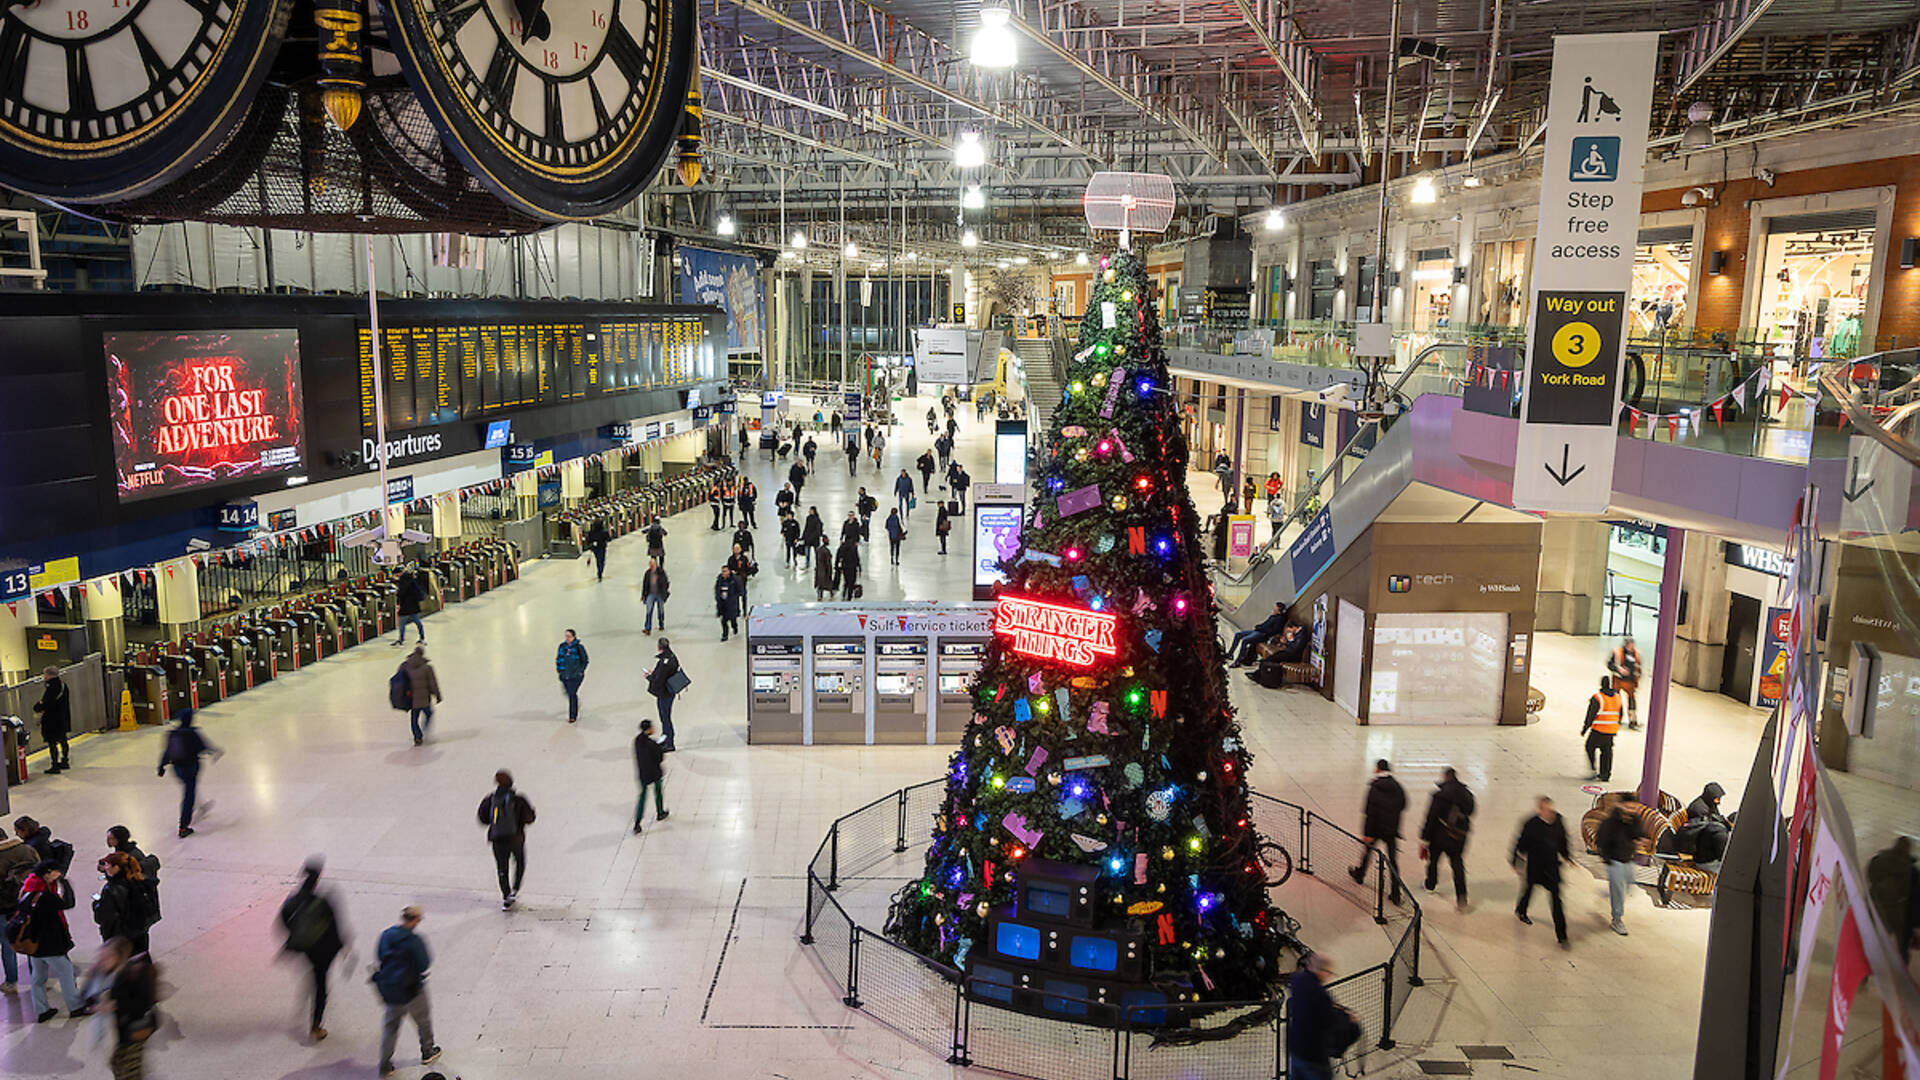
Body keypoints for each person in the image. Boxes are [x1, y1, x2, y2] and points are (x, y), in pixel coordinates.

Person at [279, 859, 345, 1042]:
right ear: (317, 879)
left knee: (315, 978)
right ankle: (316, 1026)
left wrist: (297, 936)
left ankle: (310, 1008)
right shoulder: (322, 901)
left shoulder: (292, 901)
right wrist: (341, 946)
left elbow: (283, 921)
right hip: (324, 950)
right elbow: (335, 927)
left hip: (306, 948)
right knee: (320, 985)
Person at [373, 905, 441, 1077]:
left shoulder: (387, 935)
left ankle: (385, 1065)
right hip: (412, 991)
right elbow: (424, 964)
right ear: (416, 920)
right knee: (423, 1020)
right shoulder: (414, 941)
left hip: (390, 990)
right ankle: (427, 1051)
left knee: (391, 1028)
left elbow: (380, 956)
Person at [18, 859, 81, 1021]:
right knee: (66, 971)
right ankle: (75, 1006)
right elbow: (67, 903)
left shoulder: (27, 890)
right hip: (50, 942)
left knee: (38, 978)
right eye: (56, 872)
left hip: (32, 943)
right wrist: (65, 884)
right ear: (47, 873)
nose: (59, 874)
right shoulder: (44, 896)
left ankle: (42, 1010)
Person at [91, 936, 158, 1080]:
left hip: (136, 1030)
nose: (102, 961)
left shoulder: (131, 974)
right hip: (124, 1031)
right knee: (117, 1063)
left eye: (107, 957)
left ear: (119, 956)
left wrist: (115, 1005)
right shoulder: (115, 974)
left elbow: (142, 1004)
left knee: (128, 1071)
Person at [1512, 796, 1575, 947]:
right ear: (1540, 810)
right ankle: (1521, 910)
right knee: (1529, 888)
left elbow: (1562, 840)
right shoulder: (1531, 824)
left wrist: (1567, 856)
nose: (1550, 813)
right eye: (1546, 810)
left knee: (1556, 900)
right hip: (1536, 865)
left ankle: (1562, 936)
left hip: (1552, 867)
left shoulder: (1558, 821)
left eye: (1551, 810)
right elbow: (1521, 843)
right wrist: (1515, 860)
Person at [1286, 951, 1354, 1080]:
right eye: (1328, 973)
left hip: (1295, 1048)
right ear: (1322, 971)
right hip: (1314, 1057)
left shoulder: (1297, 980)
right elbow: (1330, 1022)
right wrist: (1348, 1018)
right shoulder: (1321, 996)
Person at [1348, 759, 1407, 903]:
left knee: (1367, 852)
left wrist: (1367, 833)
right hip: (1391, 829)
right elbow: (1404, 804)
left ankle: (1360, 875)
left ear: (1378, 770)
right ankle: (1395, 893)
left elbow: (1369, 812)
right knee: (1393, 860)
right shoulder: (1397, 787)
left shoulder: (1374, 788)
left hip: (1375, 829)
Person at [476, 771, 535, 909]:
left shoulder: (490, 800)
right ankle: (515, 889)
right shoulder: (519, 800)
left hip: (498, 840)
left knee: (502, 868)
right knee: (519, 863)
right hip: (516, 839)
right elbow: (529, 818)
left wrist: (495, 822)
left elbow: (483, 818)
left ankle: (506, 894)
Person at [157, 709, 219, 838]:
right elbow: (204, 747)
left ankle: (201, 806)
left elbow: (167, 751)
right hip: (190, 767)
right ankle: (183, 827)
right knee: (188, 794)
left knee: (189, 788)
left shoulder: (173, 733)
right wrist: (214, 752)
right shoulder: (192, 733)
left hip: (177, 768)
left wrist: (161, 766)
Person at [1420, 767, 1476, 908]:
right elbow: (1471, 812)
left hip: (1439, 835)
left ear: (1445, 778)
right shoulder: (1468, 794)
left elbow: (1431, 817)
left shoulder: (1440, 795)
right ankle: (1461, 897)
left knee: (1434, 861)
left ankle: (1431, 885)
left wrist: (1424, 838)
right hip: (1459, 836)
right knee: (1457, 865)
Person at [1867, 836, 1920, 961]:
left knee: (1873, 940)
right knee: (1902, 945)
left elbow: (1870, 877)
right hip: (1899, 914)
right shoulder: (1912, 871)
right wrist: (1915, 924)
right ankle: (1902, 971)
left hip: (1877, 908)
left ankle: (1866, 969)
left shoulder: (1877, 861)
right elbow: (1915, 899)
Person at [91, 852, 156, 955]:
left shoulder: (112, 889)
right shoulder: (140, 881)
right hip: (139, 932)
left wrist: (96, 904)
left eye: (107, 865)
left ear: (116, 868)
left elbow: (103, 916)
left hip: (119, 937)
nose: (105, 868)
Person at [1596, 795, 1642, 936]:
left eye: (1633, 808)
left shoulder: (1634, 820)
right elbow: (1601, 841)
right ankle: (1617, 919)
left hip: (1628, 858)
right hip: (1614, 859)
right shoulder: (1610, 823)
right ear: (1621, 805)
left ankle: (1613, 890)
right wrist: (1606, 858)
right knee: (1619, 891)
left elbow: (1637, 834)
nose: (1631, 810)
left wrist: (1638, 839)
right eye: (1628, 807)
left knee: (1628, 884)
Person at [0, 826, 38, 994]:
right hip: (28, 902)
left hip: (3, 907)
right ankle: (37, 976)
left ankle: (11, 981)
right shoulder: (27, 849)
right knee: (30, 937)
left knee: (7, 943)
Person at [1581, 676, 1624, 782]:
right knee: (1607, 751)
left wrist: (1585, 729)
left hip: (1599, 729)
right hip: (1611, 730)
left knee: (1590, 747)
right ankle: (1606, 774)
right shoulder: (1617, 697)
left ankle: (1593, 769)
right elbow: (1621, 713)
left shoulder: (1597, 697)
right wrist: (1616, 725)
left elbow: (1590, 715)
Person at [632, 720, 671, 834]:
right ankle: (660, 812)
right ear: (648, 729)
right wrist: (661, 747)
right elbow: (659, 757)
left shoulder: (637, 741)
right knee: (658, 791)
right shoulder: (652, 745)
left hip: (643, 773)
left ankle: (637, 823)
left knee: (642, 797)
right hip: (654, 773)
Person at [32, 665, 71, 775]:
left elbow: (46, 703)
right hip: (63, 717)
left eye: (45, 674)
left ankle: (54, 765)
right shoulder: (63, 685)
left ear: (48, 676)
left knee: (52, 742)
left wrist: (37, 706)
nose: (44, 676)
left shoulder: (51, 687)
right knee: (63, 740)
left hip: (52, 720)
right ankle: (65, 761)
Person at [401, 645, 442, 746]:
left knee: (414, 719)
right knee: (428, 714)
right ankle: (424, 729)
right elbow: (433, 684)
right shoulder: (427, 668)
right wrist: (437, 696)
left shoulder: (405, 666)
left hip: (412, 699)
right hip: (424, 700)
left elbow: (400, 681)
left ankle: (417, 737)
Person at [645, 639, 682, 751]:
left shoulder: (665, 662)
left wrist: (649, 677)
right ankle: (665, 738)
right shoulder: (672, 656)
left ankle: (669, 742)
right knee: (664, 717)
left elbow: (659, 679)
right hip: (670, 691)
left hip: (665, 693)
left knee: (665, 717)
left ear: (659, 647)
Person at [554, 629, 589, 723]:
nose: (567, 638)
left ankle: (572, 716)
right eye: (566, 636)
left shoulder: (579, 648)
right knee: (569, 693)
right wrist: (560, 671)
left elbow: (585, 661)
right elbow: (559, 658)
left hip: (576, 676)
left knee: (572, 694)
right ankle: (576, 704)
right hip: (565, 675)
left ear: (574, 637)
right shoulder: (562, 647)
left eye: (569, 636)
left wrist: (580, 671)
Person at [1608, 639, 1643, 729]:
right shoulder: (1617, 652)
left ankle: (1632, 721)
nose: (1631, 647)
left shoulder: (1637, 653)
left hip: (1630, 682)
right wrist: (1619, 670)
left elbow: (1639, 668)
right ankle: (1617, 718)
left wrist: (1637, 680)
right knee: (1617, 701)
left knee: (1632, 701)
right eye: (1629, 645)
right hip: (1618, 681)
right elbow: (1609, 664)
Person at [395, 569, 428, 645]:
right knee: (418, 622)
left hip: (406, 605)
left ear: (399, 573)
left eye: (396, 575)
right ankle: (422, 638)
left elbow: (402, 592)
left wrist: (397, 593)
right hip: (414, 605)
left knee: (402, 623)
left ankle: (401, 639)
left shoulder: (403, 580)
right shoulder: (411, 579)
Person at [642, 557, 670, 635]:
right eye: (650, 564)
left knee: (660, 610)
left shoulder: (661, 572)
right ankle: (647, 627)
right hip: (650, 594)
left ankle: (661, 623)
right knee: (648, 610)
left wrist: (664, 592)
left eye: (653, 564)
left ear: (656, 564)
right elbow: (644, 584)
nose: (651, 566)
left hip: (659, 594)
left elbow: (665, 582)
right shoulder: (647, 573)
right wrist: (643, 595)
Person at [714, 566, 743, 641]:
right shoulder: (720, 580)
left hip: (732, 604)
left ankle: (734, 626)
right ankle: (725, 635)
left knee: (733, 619)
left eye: (725, 571)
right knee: (723, 620)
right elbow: (717, 590)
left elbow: (740, 591)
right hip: (723, 604)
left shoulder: (734, 580)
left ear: (729, 571)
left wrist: (734, 597)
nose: (723, 573)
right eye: (722, 571)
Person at [836, 537, 862, 601]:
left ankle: (844, 594)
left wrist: (837, 566)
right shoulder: (853, 548)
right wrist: (859, 568)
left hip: (845, 566)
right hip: (852, 567)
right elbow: (856, 558)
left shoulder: (842, 547)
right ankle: (849, 597)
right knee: (852, 582)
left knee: (846, 581)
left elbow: (838, 557)